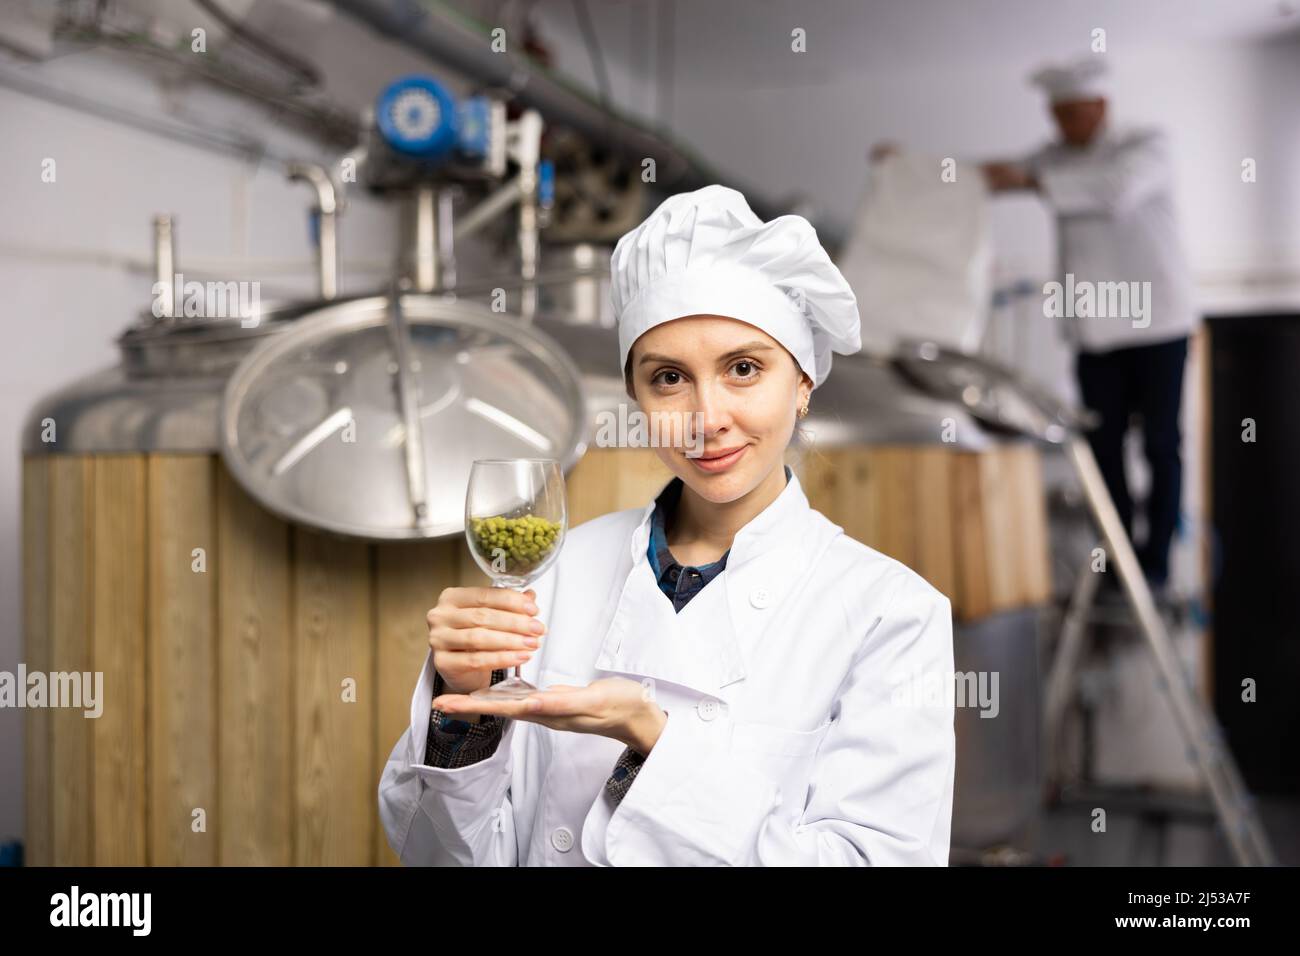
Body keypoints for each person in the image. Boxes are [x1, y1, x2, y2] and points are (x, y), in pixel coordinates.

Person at [377, 184, 956, 866]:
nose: (706, 417)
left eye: (744, 369)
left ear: (802, 383)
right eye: (669, 378)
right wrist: (462, 710)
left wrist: (654, 739)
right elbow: (435, 854)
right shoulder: (559, 571)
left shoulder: (891, 614)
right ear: (636, 395)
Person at [980, 57, 1198, 593]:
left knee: (1161, 444)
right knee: (1103, 450)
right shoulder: (1051, 157)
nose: (1064, 127)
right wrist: (913, 167)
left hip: (1158, 324)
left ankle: (1157, 560)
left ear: (1101, 107)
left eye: (1073, 115)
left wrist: (1031, 178)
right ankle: (1120, 560)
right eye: (1057, 116)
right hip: (1095, 334)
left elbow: (1112, 191)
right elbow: (997, 173)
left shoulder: (1146, 145)